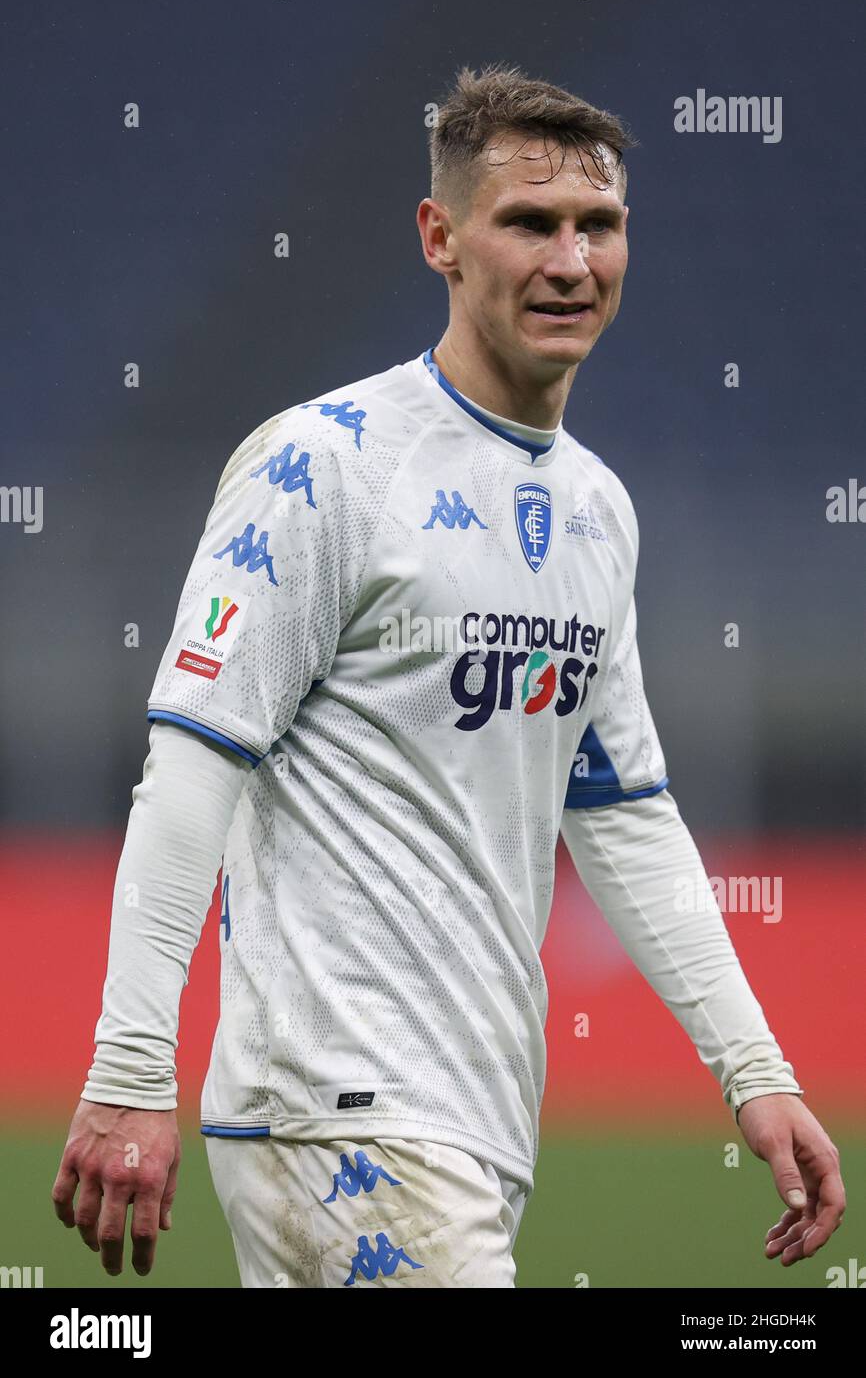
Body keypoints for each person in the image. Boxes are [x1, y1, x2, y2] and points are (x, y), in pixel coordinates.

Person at [52, 63, 845, 1288]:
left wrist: (755, 1068)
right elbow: (190, 762)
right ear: (440, 237)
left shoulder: (595, 510)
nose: (570, 261)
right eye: (528, 222)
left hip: (469, 1114)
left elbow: (623, 815)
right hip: (344, 1108)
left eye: (599, 225)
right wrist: (128, 1067)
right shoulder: (322, 466)